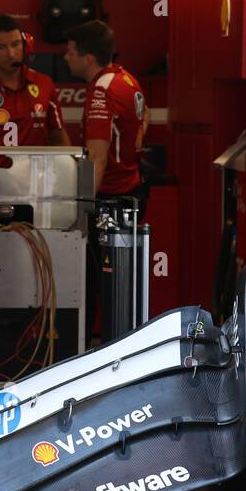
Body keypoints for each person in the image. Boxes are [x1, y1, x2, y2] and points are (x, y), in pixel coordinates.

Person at [63, 20, 150, 347]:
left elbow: (98, 157)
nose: (66, 58)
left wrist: (81, 213)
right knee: (124, 289)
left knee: (100, 288)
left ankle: (91, 358)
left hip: (112, 200)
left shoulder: (101, 90)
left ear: (87, 58)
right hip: (132, 192)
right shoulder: (128, 78)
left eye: (70, 52)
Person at [0, 15, 68, 157]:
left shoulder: (44, 83)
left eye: (15, 44)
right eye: (1, 47)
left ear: (26, 45)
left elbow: (59, 139)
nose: (11, 54)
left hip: (38, 176)